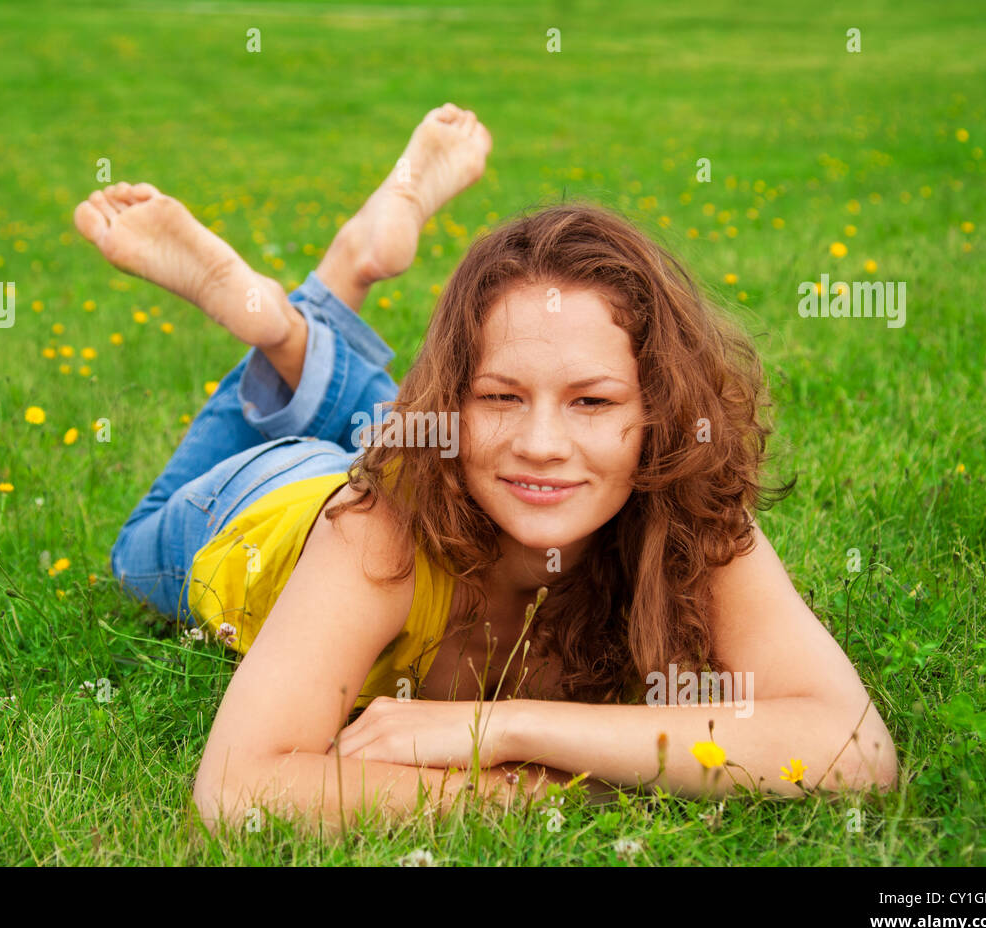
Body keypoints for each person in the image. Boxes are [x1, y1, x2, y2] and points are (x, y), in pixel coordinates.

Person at [74, 105, 897, 834]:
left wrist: (503, 729)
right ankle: (308, 302)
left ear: (659, 416)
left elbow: (852, 747)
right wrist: (535, 797)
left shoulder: (690, 517)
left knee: (455, 440)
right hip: (262, 503)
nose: (543, 440)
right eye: (498, 396)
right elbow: (235, 791)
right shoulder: (373, 536)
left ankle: (332, 291)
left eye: (593, 402)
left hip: (437, 461)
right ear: (454, 401)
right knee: (132, 545)